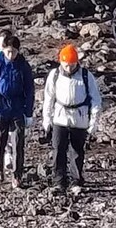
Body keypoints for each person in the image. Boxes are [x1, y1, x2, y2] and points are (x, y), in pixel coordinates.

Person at [42, 43, 102, 195]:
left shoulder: (86, 76)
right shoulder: (54, 75)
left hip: (79, 118)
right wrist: (46, 119)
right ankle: (59, 181)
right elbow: (48, 98)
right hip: (60, 118)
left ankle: (76, 180)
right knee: (58, 150)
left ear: (77, 62)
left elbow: (96, 99)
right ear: (60, 62)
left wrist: (93, 122)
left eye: (72, 65)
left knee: (77, 151)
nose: (69, 68)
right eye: (66, 65)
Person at [0, 32, 34, 187]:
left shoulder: (23, 67)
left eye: (14, 51)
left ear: (18, 51)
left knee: (18, 142)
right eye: (8, 51)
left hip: (18, 108)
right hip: (0, 108)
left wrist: (29, 112)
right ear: (3, 49)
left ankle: (17, 175)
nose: (11, 55)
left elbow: (29, 89)